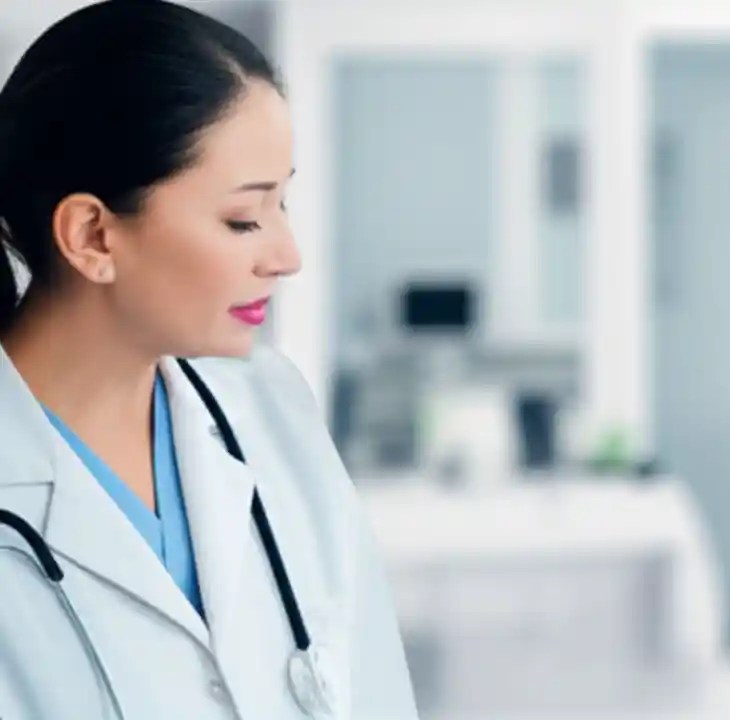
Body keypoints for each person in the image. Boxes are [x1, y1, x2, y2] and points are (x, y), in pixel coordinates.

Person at [0, 1, 419, 717]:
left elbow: (373, 685)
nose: (287, 257)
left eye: (284, 203)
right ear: (93, 236)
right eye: (244, 219)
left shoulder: (272, 408)